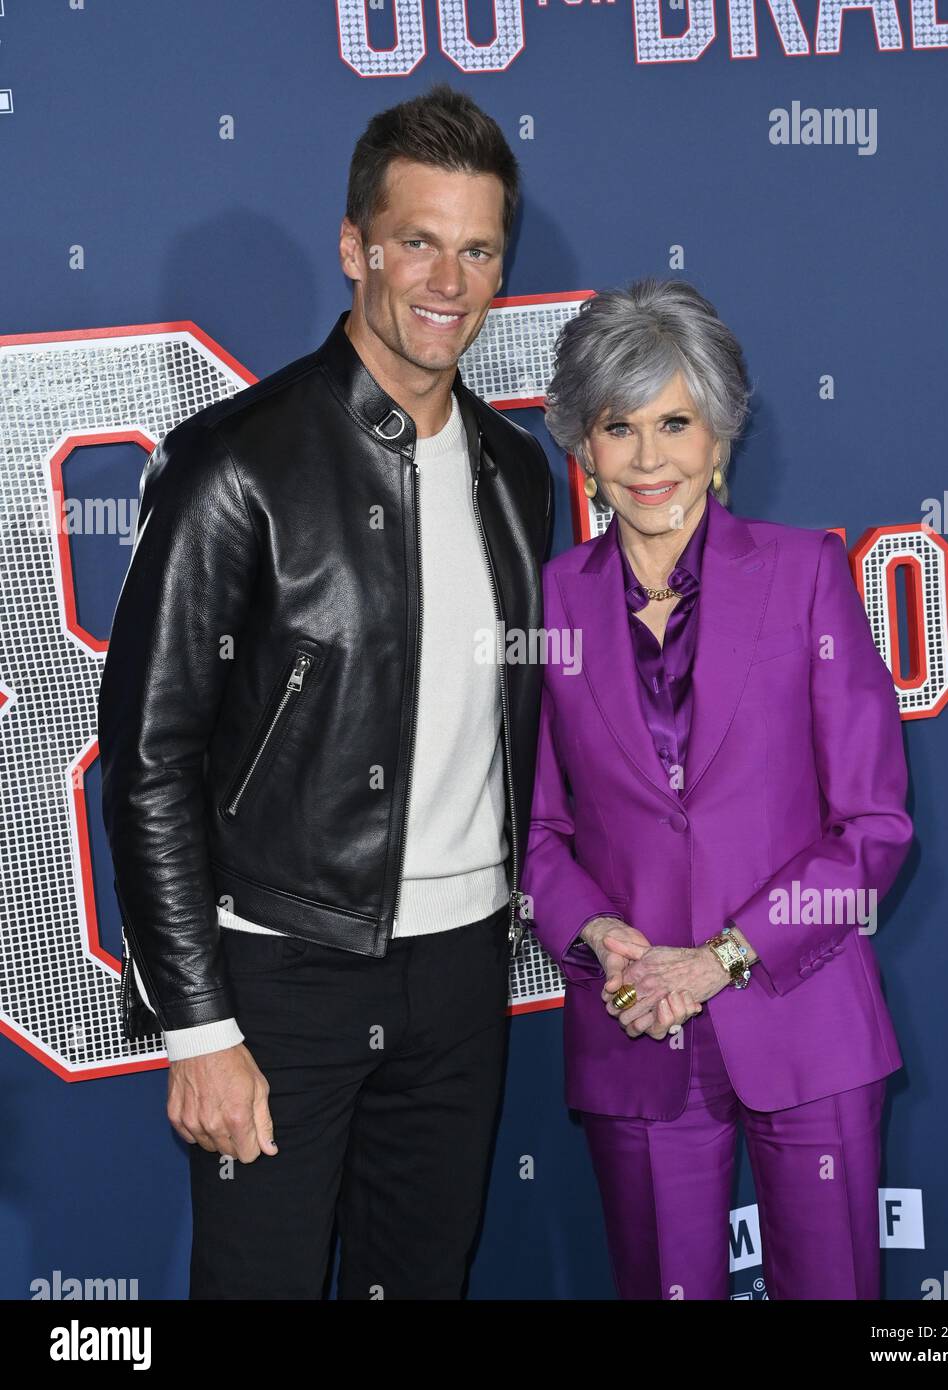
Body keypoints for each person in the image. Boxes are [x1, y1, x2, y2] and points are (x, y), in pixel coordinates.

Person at [97, 83, 553, 1299]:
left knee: (421, 1283)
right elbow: (147, 758)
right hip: (283, 972)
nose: (446, 280)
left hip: (461, 970)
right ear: (355, 247)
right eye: (416, 240)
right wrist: (199, 1026)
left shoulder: (518, 470)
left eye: (475, 249)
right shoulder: (234, 464)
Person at [520, 278, 912, 1300]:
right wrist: (602, 938)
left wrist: (724, 958)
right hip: (635, 1026)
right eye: (618, 426)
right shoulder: (550, 602)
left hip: (803, 1016)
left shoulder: (804, 575)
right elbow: (534, 833)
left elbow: (872, 829)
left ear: (719, 435)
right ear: (582, 446)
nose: (647, 459)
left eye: (674, 422)